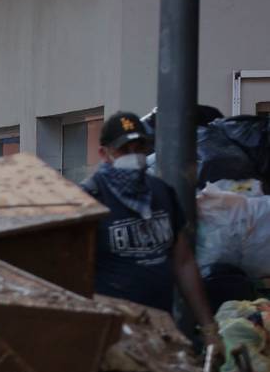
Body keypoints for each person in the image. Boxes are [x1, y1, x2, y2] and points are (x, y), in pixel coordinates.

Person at [81, 111, 220, 350]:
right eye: (125, 150)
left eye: (140, 147)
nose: (134, 157)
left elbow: (184, 262)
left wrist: (208, 328)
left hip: (160, 329)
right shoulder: (89, 200)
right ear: (105, 154)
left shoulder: (161, 193)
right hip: (113, 335)